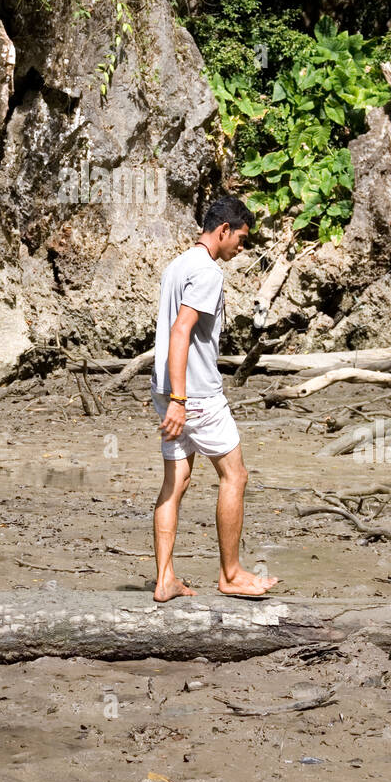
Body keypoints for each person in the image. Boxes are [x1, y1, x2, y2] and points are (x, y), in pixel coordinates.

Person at [150, 195, 279, 603]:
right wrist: (181, 399)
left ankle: (165, 578)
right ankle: (231, 574)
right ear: (223, 230)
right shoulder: (207, 272)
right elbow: (180, 332)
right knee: (235, 476)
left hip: (167, 389)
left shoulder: (178, 264)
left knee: (176, 481)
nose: (242, 247)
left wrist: (170, 396)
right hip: (196, 394)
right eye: (241, 238)